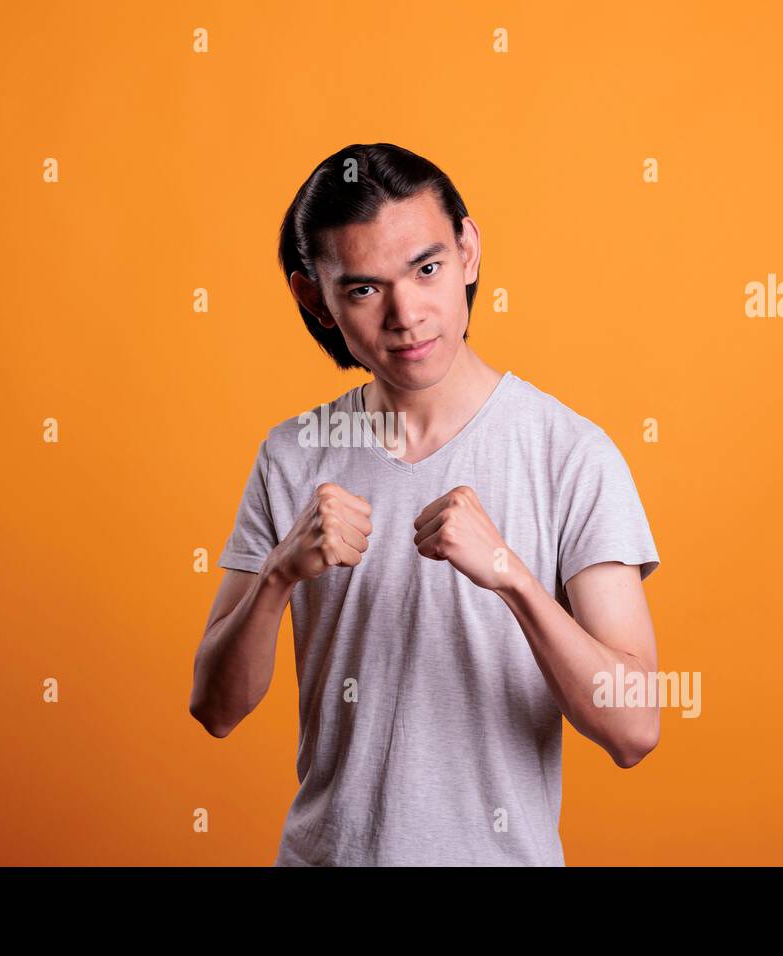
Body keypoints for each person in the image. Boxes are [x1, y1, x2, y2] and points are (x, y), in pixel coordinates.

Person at [188, 143, 662, 866]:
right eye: (363, 289)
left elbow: (634, 728)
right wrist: (279, 574)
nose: (407, 314)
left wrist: (511, 574)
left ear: (468, 251)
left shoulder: (570, 453)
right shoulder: (292, 453)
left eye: (427, 268)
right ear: (314, 297)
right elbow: (215, 709)